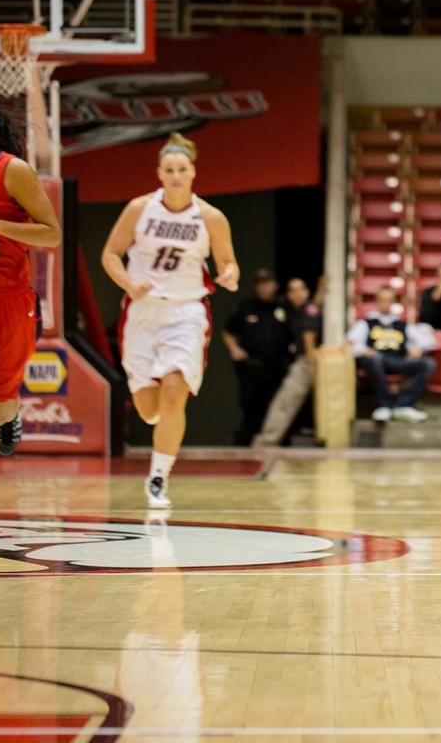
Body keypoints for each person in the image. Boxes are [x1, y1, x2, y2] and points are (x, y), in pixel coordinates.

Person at [102, 132, 239, 507]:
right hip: (143, 312)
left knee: (176, 390)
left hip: (186, 310)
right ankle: (161, 421)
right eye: (169, 170)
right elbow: (111, 255)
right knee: (150, 409)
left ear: (193, 172)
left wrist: (229, 275)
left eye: (182, 169)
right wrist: (129, 283)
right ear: (159, 174)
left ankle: (159, 477)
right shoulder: (139, 209)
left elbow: (228, 263)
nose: (176, 176)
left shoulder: (210, 217)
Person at [0, 104, 62, 456]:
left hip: (7, 298)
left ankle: (8, 417)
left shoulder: (12, 171)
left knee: (0, 403)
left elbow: (52, 235)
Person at [223, 269, 294, 445]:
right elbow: (228, 330)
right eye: (260, 283)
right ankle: (247, 445)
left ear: (275, 285)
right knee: (250, 407)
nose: (263, 287)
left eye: (267, 283)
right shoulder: (247, 307)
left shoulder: (285, 306)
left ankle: (275, 444)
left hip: (277, 368)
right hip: (252, 369)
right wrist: (234, 349)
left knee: (277, 409)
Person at [348, 285, 437, 422]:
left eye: (389, 300)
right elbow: (350, 343)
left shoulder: (401, 324)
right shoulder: (366, 323)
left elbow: (429, 340)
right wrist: (363, 350)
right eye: (382, 300)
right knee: (375, 359)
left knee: (428, 363)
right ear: (377, 301)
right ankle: (383, 405)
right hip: (375, 361)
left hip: (397, 360)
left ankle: (403, 405)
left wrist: (418, 348)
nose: (385, 304)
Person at [251, 276, 323, 447]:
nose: (297, 294)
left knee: (285, 402)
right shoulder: (302, 308)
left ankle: (265, 443)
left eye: (300, 289)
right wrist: (321, 286)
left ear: (307, 291)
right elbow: (317, 302)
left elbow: (309, 340)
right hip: (307, 361)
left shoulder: (308, 311)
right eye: (292, 290)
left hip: (308, 361)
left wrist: (312, 367)